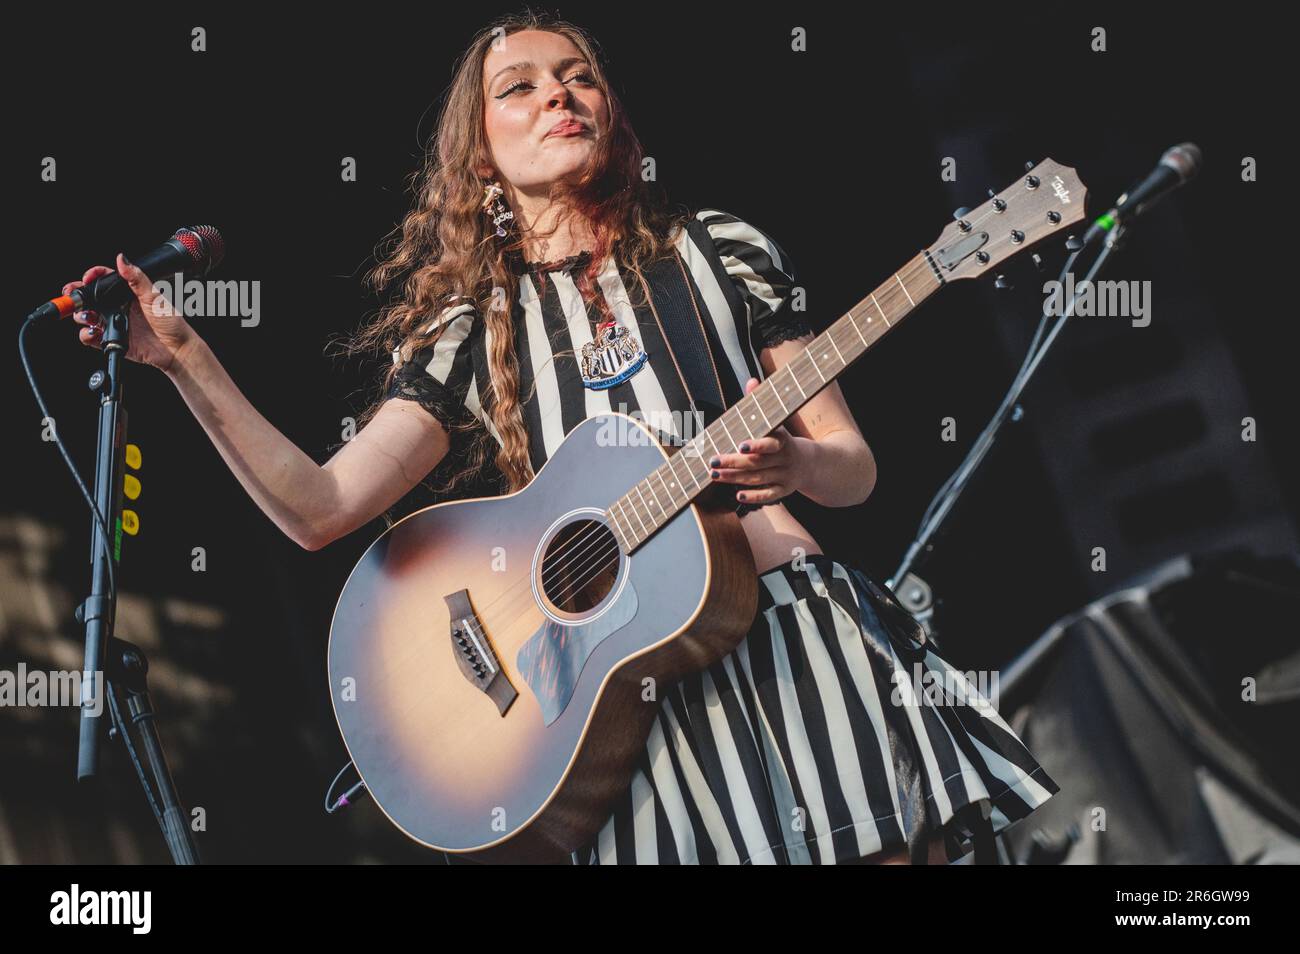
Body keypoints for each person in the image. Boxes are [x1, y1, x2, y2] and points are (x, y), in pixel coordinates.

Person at [65, 12, 1057, 865]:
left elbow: (853, 468)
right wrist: (184, 355)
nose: (559, 95)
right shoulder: (469, 327)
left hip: (791, 623)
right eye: (522, 88)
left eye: (579, 76)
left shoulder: (720, 250)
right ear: (479, 153)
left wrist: (797, 462)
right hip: (622, 696)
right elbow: (319, 511)